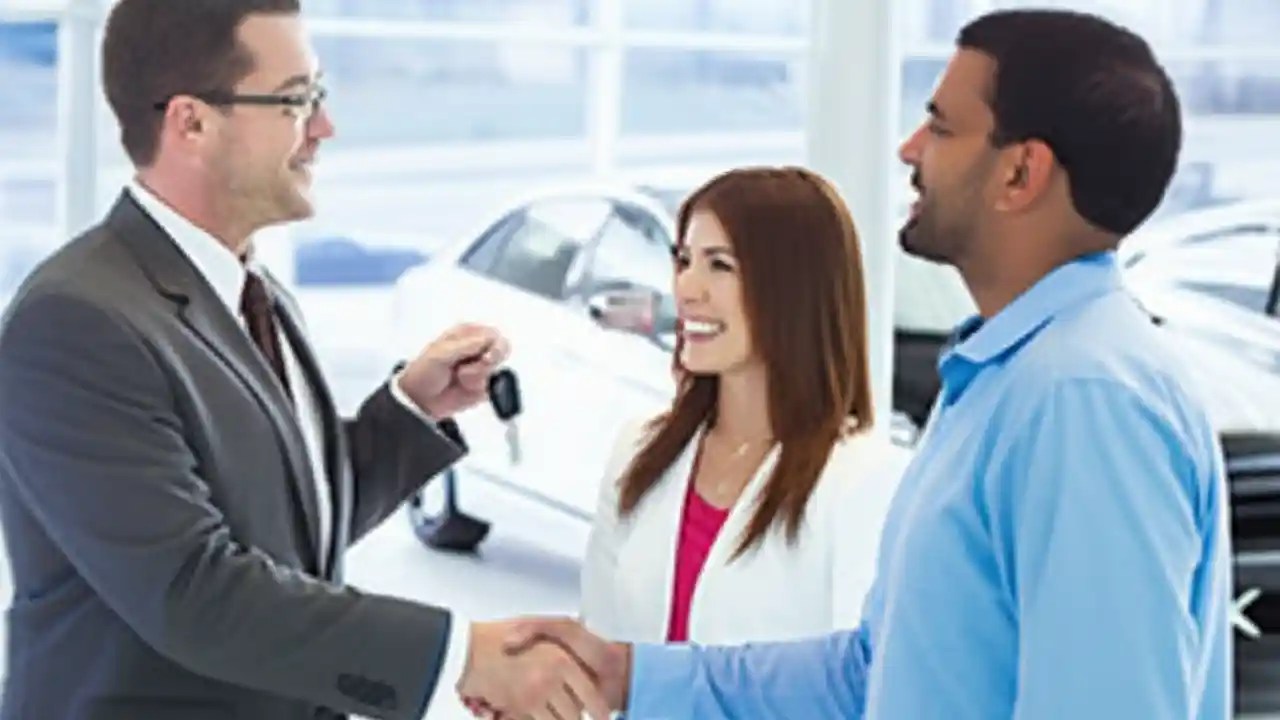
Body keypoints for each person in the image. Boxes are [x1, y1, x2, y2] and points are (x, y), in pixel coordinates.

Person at [497, 8, 1233, 719]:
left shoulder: (1085, 399)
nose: (910, 148)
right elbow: (873, 677)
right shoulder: (1005, 380)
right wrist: (635, 673)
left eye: (941, 126)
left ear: (1021, 174)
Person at [0, 1, 606, 719]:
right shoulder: (75, 322)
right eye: (296, 101)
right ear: (191, 123)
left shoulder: (258, 294)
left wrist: (410, 411)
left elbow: (281, 528)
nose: (324, 128)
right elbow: (194, 591)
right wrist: (464, 658)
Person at [579, 166, 901, 648]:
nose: (687, 288)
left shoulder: (866, 481)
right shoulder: (640, 449)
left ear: (794, 288)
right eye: (684, 260)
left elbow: (858, 687)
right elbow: (597, 654)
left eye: (720, 265)